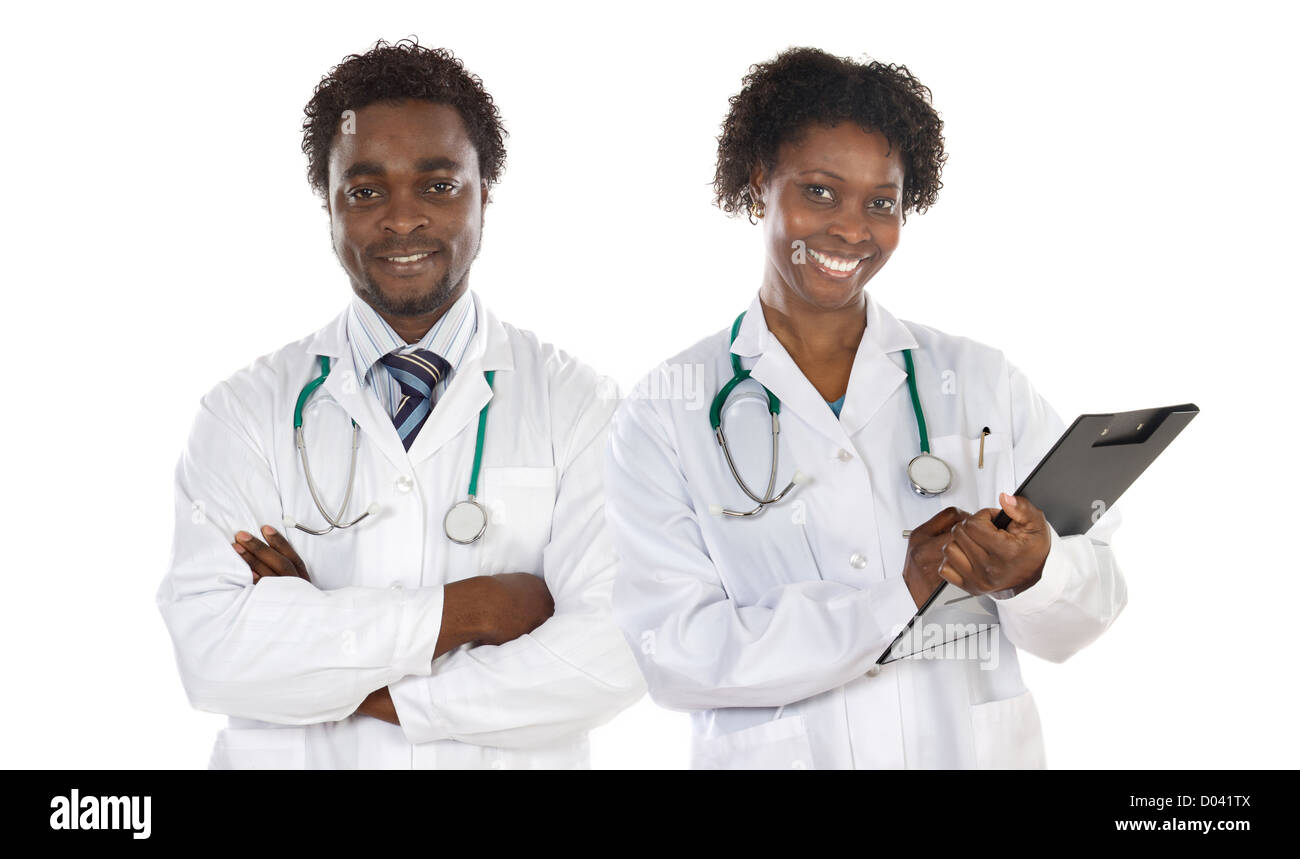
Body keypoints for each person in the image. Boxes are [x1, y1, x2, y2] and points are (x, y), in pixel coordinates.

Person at [604, 47, 1127, 769]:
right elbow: (679, 656)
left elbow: (1091, 604)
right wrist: (896, 596)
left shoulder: (980, 378)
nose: (853, 229)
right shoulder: (665, 414)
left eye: (881, 202)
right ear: (760, 183)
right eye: (820, 192)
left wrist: (1035, 569)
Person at [156, 38, 643, 769]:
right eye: (365, 189)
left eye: (439, 185)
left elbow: (611, 655)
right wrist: (469, 610)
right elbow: (214, 654)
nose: (402, 218)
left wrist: (338, 664)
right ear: (328, 204)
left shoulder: (583, 407)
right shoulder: (242, 414)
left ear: (486, 193)